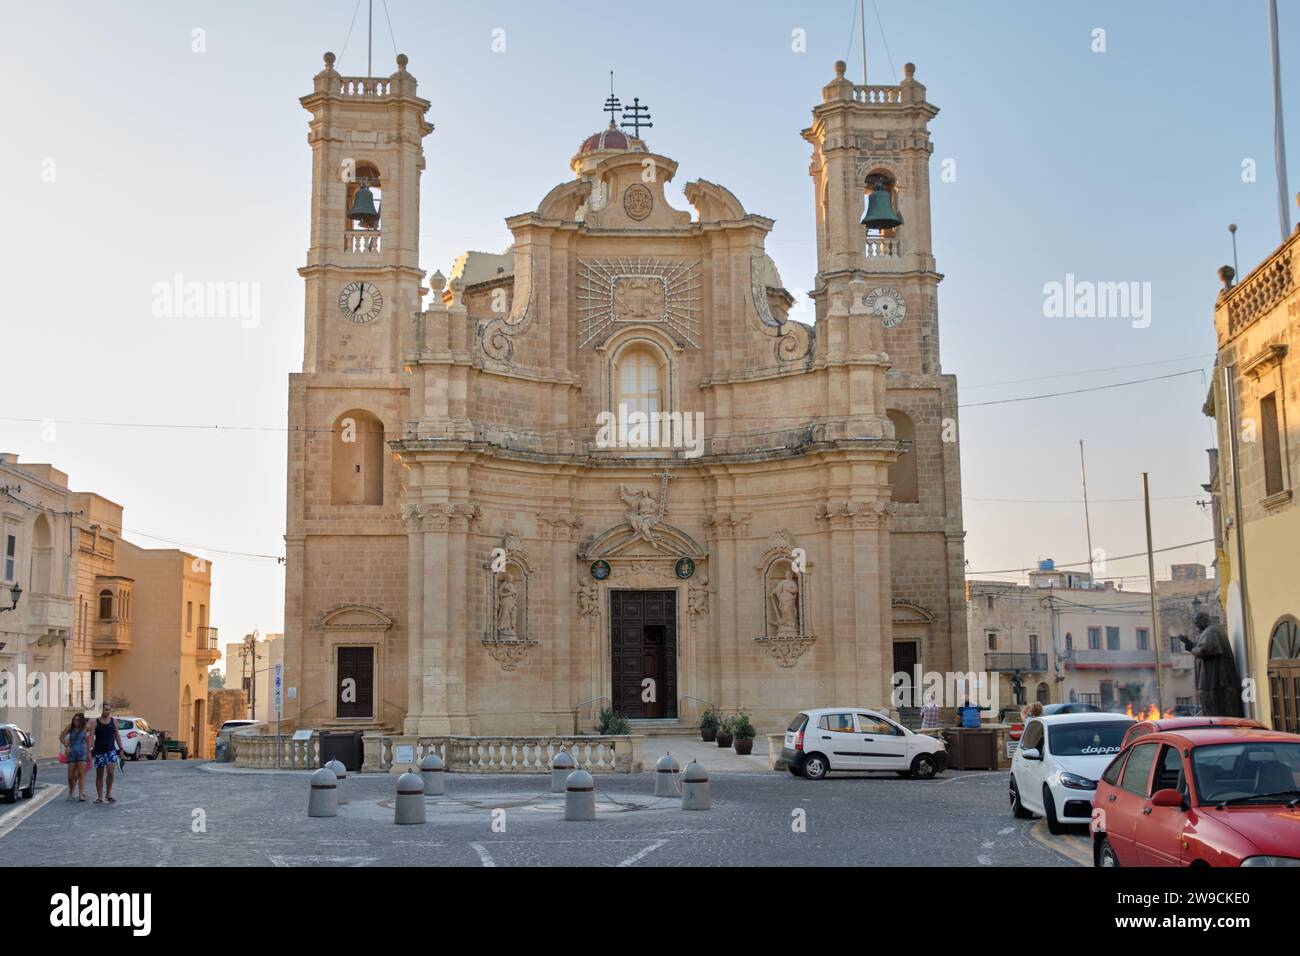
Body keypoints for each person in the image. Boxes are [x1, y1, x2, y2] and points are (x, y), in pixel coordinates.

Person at [91, 704, 126, 804]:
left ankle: (108, 794)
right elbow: (91, 737)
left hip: (111, 750)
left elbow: (117, 735)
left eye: (109, 710)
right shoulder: (95, 722)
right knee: (99, 774)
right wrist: (90, 750)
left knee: (110, 772)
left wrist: (121, 748)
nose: (108, 712)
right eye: (106, 710)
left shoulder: (113, 721)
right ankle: (100, 796)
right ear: (101, 710)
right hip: (99, 751)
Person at [60, 712, 92, 801]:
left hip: (82, 752)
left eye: (77, 720)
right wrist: (66, 746)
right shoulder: (70, 727)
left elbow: (92, 735)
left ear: (81, 720)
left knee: (81, 774)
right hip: (72, 753)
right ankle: (71, 792)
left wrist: (89, 751)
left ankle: (81, 795)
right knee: (71, 777)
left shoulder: (85, 727)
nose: (75, 721)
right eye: (74, 719)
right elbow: (61, 737)